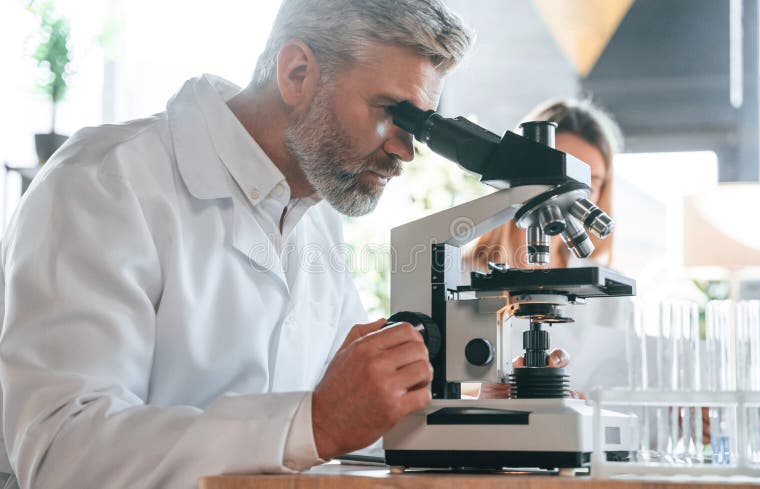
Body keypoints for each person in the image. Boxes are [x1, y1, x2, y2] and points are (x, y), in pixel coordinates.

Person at [0, 2, 473, 488]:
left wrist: (479, 416)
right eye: (393, 112)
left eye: (419, 126)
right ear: (296, 73)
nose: (404, 151)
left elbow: (350, 421)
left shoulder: (316, 216)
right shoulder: (104, 180)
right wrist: (312, 423)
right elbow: (62, 453)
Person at [464, 98, 625, 399]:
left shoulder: (604, 290)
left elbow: (622, 387)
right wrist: (485, 394)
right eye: (563, 175)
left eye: (589, 182)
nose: (570, 192)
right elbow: (427, 386)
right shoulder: (456, 276)